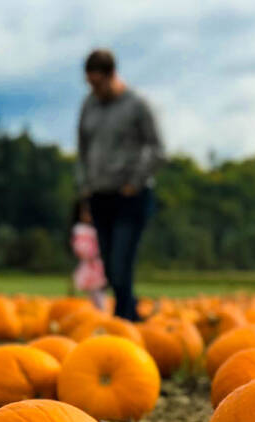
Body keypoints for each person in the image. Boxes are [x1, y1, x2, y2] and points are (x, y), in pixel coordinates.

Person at [76, 49, 163, 322]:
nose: (95, 90)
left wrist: (135, 182)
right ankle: (132, 316)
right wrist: (84, 188)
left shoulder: (136, 105)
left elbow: (157, 149)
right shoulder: (89, 106)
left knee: (120, 263)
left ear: (112, 75)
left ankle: (123, 323)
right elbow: (82, 150)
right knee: (111, 271)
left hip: (130, 196)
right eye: (90, 84)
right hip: (99, 195)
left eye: (98, 83)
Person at [70, 201, 107, 309]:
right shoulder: (80, 229)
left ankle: (99, 308)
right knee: (90, 288)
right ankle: (93, 309)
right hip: (88, 264)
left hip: (97, 264)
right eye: (85, 213)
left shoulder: (97, 229)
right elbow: (79, 247)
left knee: (98, 288)